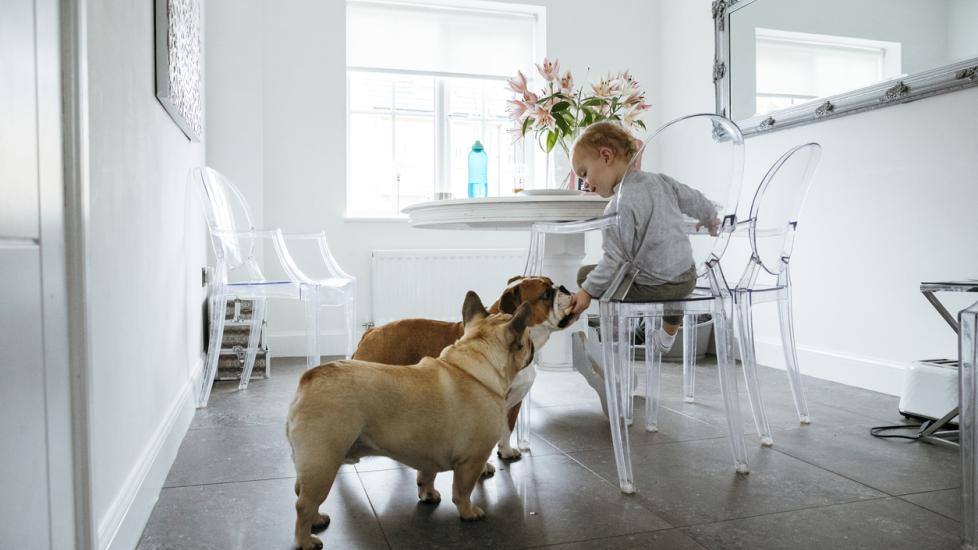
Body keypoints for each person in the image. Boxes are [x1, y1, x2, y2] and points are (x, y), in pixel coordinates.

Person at [568, 121, 720, 352]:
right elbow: (693, 199)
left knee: (585, 275)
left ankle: (618, 342)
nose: (586, 183)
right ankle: (666, 337)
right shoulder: (661, 180)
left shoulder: (618, 206)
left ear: (606, 156)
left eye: (585, 173)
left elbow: (614, 262)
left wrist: (587, 292)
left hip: (656, 285)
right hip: (687, 277)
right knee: (668, 275)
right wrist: (709, 216)